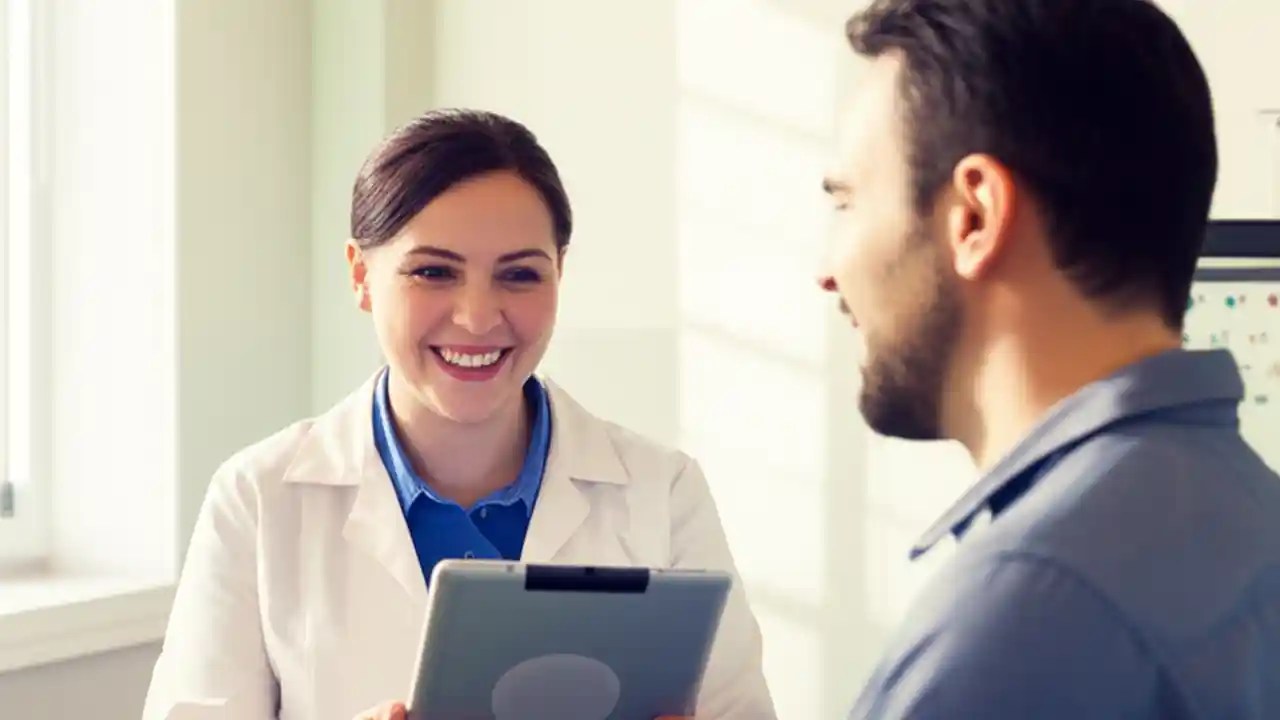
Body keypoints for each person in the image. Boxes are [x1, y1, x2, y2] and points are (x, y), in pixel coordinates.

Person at [142, 109, 775, 720]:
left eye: (520, 275)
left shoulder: (662, 492)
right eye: (433, 272)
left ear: (560, 275)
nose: (477, 317)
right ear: (361, 276)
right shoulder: (257, 499)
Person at [818, 0, 1280, 717]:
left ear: (974, 216)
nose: (829, 271)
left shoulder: (1032, 608)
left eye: (846, 203)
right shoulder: (1251, 518)